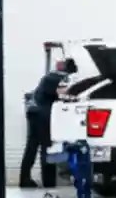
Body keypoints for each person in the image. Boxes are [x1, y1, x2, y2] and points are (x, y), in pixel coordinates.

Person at [19, 57, 77, 188]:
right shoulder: (59, 78)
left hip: (34, 112)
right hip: (43, 115)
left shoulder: (50, 76)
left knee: (31, 147)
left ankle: (24, 179)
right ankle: (48, 182)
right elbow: (65, 94)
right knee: (47, 147)